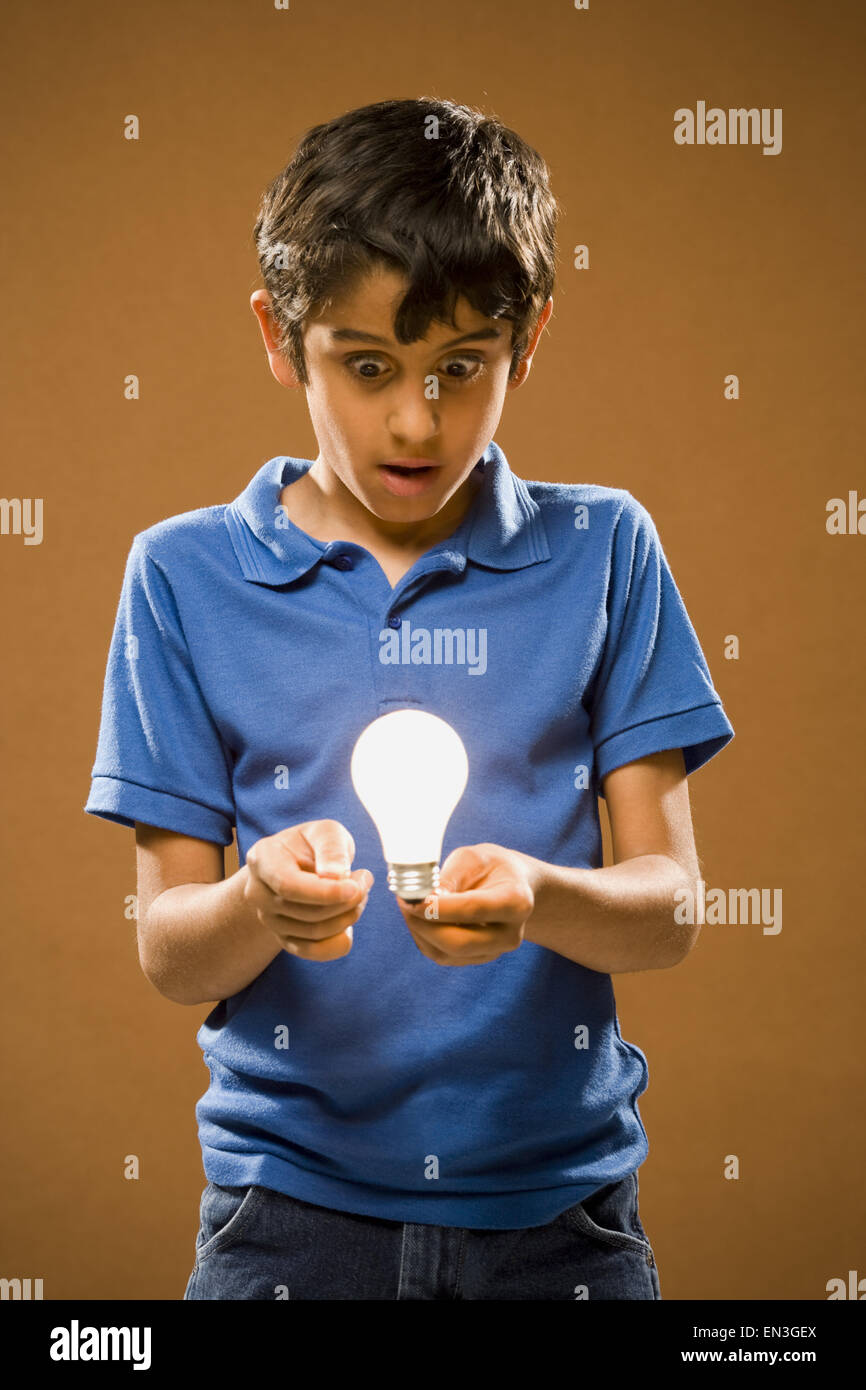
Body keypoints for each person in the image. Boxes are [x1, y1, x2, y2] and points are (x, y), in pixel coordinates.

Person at [84, 97, 734, 1300]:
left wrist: (538, 894)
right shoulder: (180, 575)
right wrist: (258, 902)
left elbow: (670, 907)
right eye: (366, 364)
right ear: (281, 339)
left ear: (526, 342)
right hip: (287, 1218)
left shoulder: (603, 550)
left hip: (560, 1221)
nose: (414, 421)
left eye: (461, 368)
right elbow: (172, 953)